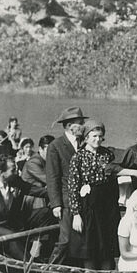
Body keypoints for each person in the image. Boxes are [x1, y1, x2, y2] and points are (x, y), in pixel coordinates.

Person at [67, 120, 137, 270]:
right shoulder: (78, 157)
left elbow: (114, 172)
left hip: (107, 204)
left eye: (100, 136)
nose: (97, 139)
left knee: (107, 245)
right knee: (91, 246)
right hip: (89, 205)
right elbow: (73, 186)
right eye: (94, 136)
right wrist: (76, 214)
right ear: (86, 138)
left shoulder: (107, 154)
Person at [0, 156, 54, 260]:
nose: (17, 172)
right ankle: (26, 261)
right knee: (12, 236)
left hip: (14, 221)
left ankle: (42, 253)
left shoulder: (15, 180)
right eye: (13, 170)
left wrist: (56, 195)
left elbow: (33, 190)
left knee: (46, 213)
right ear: (2, 172)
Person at [47, 106, 87, 262]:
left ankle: (77, 267)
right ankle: (49, 267)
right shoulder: (55, 146)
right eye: (80, 123)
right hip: (66, 201)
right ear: (70, 126)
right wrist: (56, 204)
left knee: (82, 237)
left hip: (84, 199)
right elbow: (52, 177)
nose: (83, 126)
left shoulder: (85, 143)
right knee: (66, 239)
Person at [21, 134, 55, 206]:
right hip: (32, 199)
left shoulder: (46, 160)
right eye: (48, 150)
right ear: (40, 149)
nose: (52, 153)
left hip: (41, 194)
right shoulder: (33, 162)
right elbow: (48, 180)